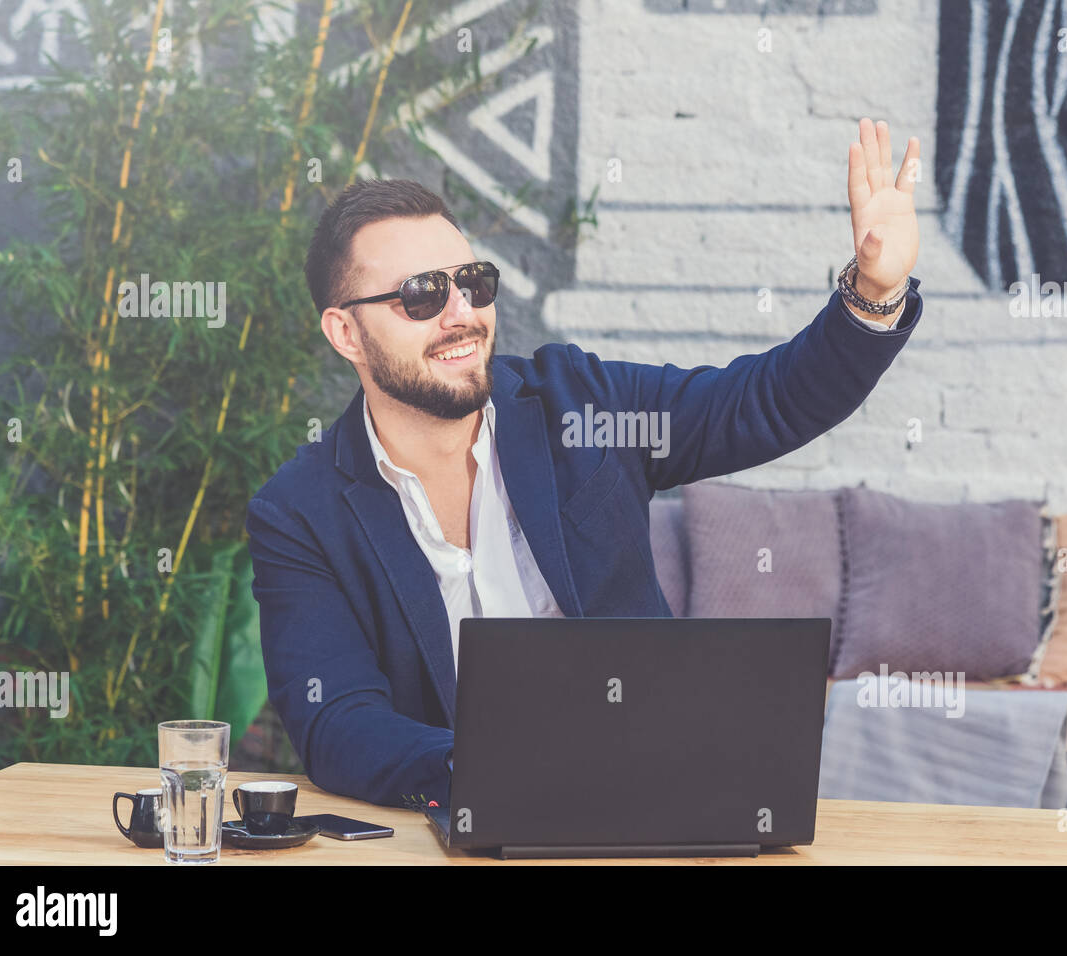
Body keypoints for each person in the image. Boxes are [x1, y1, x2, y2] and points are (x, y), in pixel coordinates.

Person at [247, 118, 924, 808]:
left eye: (473, 283)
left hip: (653, 807)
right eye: (421, 294)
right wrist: (513, 768)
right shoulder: (300, 511)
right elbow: (338, 723)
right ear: (345, 332)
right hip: (465, 826)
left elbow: (765, 403)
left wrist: (872, 293)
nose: (461, 313)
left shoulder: (582, 406)